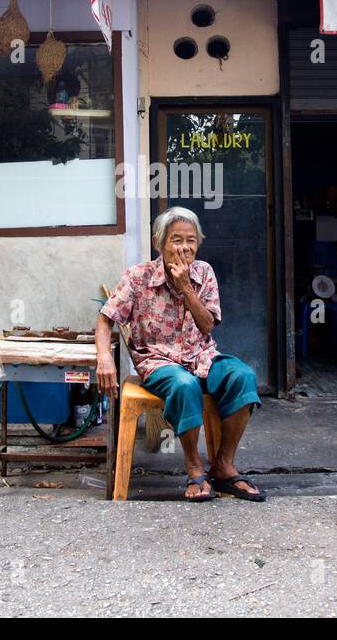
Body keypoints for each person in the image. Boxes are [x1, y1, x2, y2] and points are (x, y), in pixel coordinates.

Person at [95, 206, 264, 502]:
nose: (184, 248)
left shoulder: (204, 273)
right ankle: (194, 466)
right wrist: (104, 358)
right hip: (158, 361)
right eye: (176, 240)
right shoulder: (138, 277)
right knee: (184, 385)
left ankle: (223, 466)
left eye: (191, 240)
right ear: (160, 243)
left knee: (243, 377)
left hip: (201, 355)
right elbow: (105, 318)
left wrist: (186, 287)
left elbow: (208, 324)